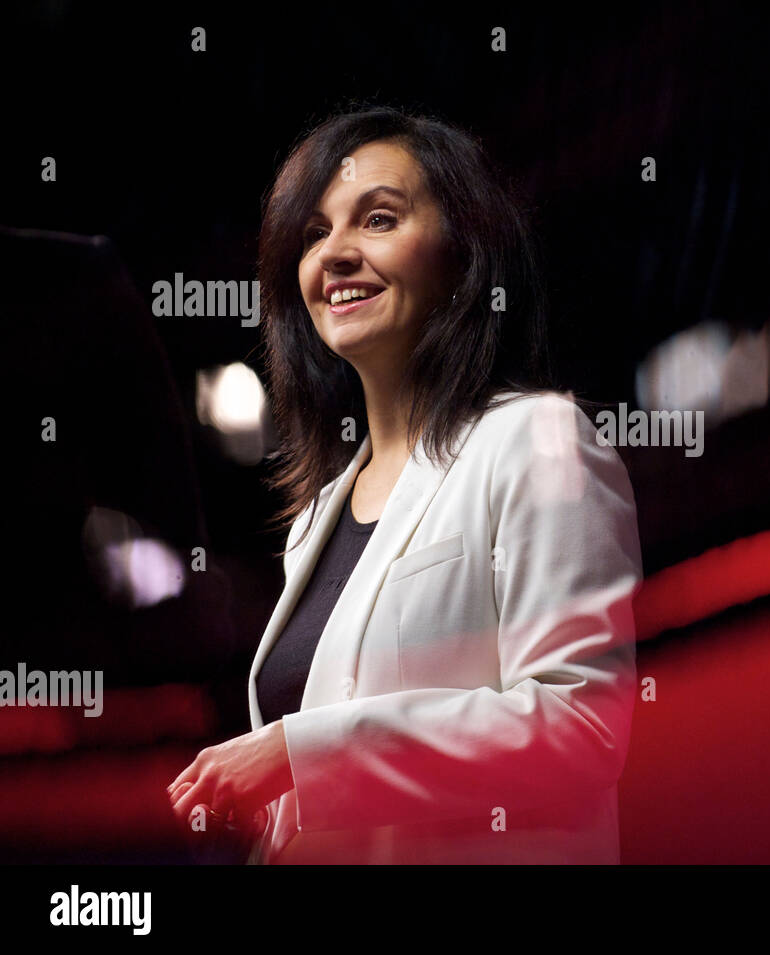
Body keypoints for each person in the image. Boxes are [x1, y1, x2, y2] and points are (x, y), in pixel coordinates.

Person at [166, 106, 642, 863]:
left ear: (464, 256)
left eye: (378, 219)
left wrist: (299, 752)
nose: (336, 254)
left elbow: (581, 726)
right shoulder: (315, 518)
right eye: (314, 233)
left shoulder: (535, 439)